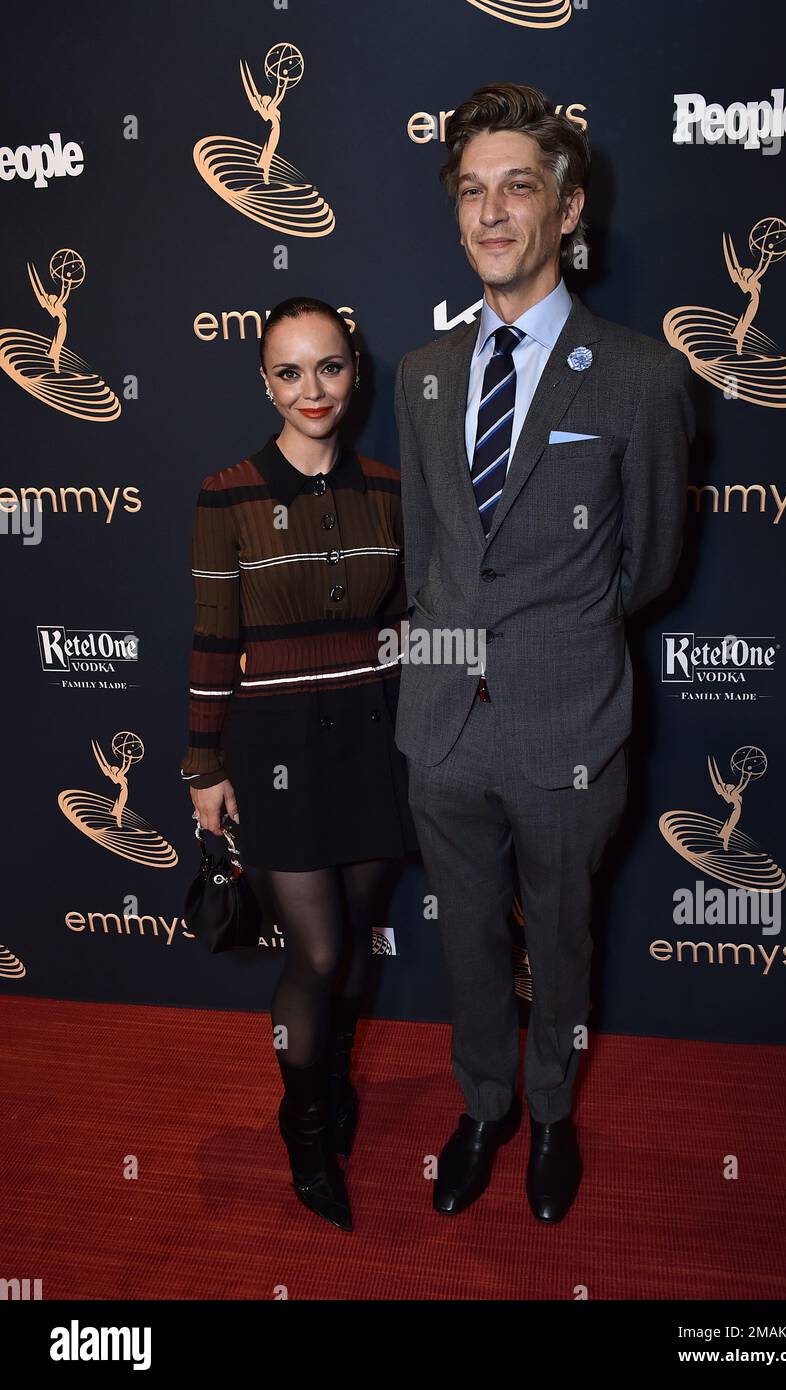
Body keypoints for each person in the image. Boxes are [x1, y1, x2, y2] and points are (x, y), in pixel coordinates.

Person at [393, 83, 695, 1223]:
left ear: (566, 210)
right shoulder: (424, 378)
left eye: (517, 186)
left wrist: (552, 638)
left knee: (559, 939)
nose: (491, 211)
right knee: (467, 940)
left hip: (566, 724)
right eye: (471, 191)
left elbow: (648, 564)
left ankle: (554, 1113)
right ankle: (485, 1105)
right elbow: (428, 558)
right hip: (440, 730)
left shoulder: (640, 376)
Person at [180, 298, 417, 1232]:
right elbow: (211, 635)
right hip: (272, 749)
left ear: (354, 372)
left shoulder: (392, 488)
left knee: (355, 939)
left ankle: (336, 1083)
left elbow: (407, 622)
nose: (310, 389)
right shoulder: (226, 491)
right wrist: (203, 766)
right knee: (316, 951)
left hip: (373, 739)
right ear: (264, 383)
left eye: (327, 368)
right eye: (289, 371)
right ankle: (305, 1121)